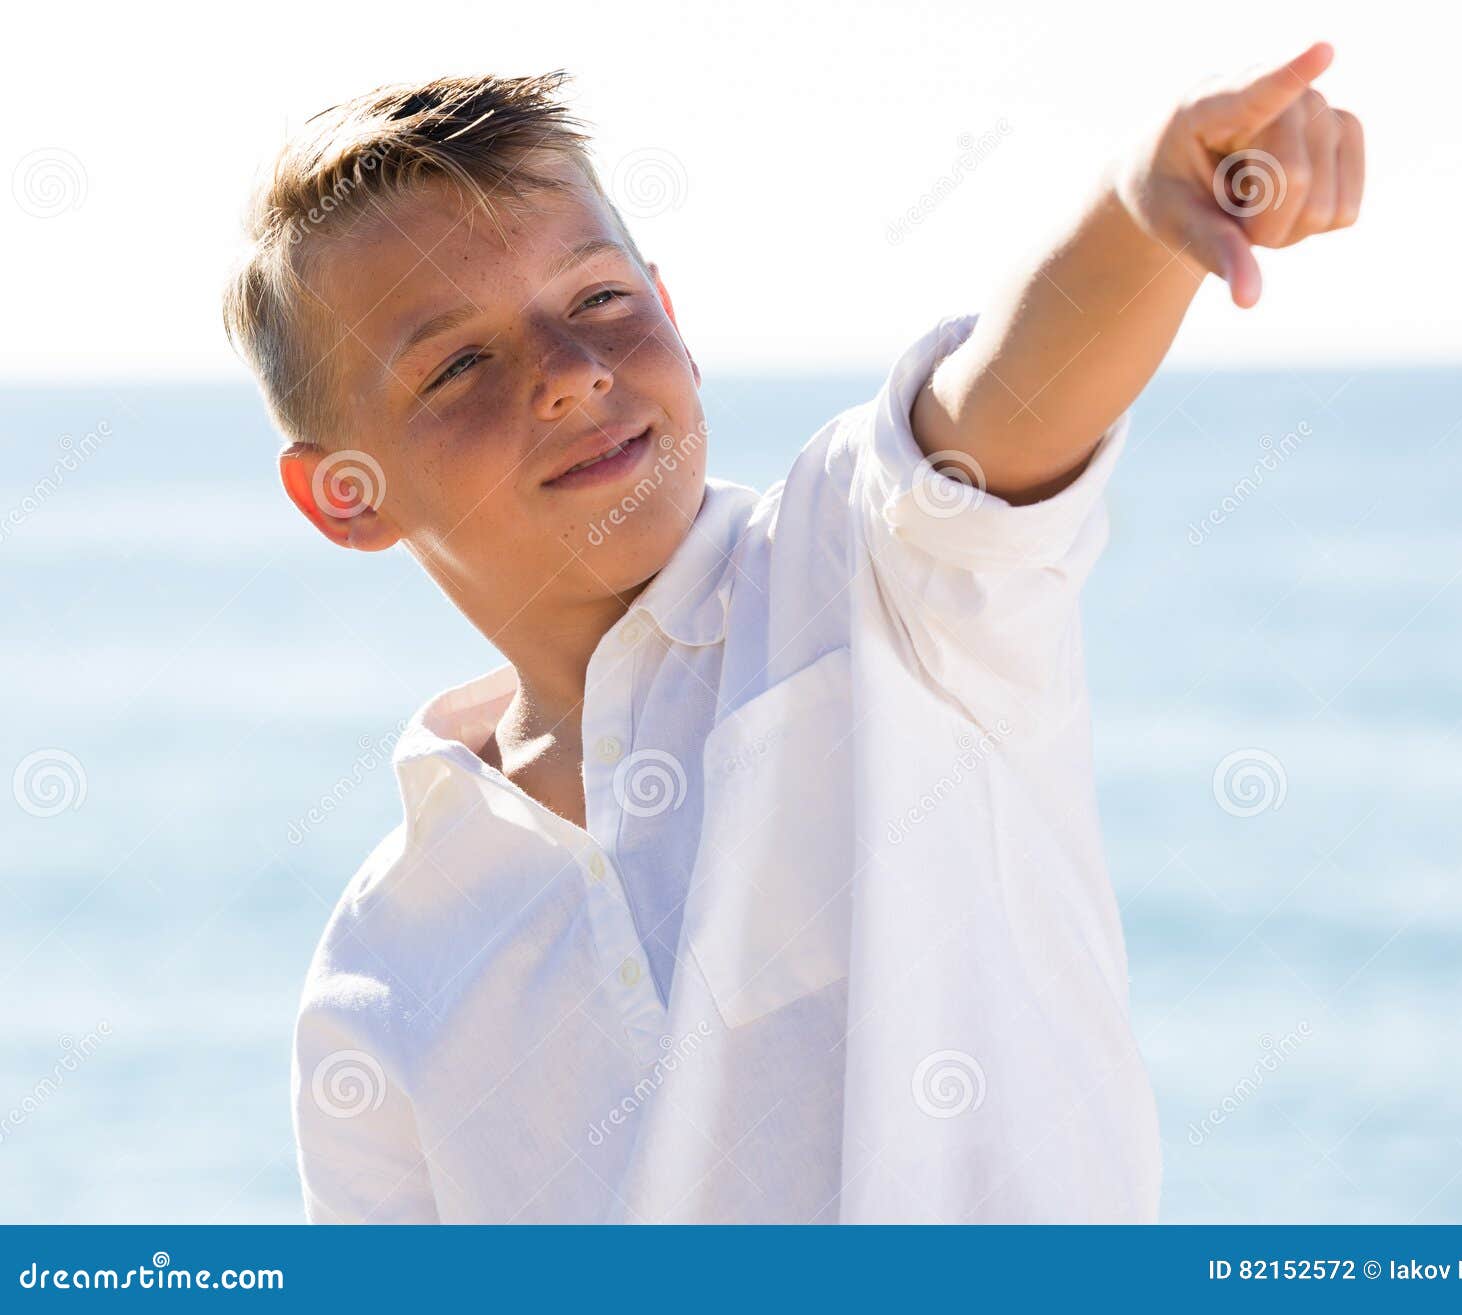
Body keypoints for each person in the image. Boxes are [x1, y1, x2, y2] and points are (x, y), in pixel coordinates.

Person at [222, 45, 1362, 1222]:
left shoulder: (865, 575)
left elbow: (1002, 408)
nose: (568, 374)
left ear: (671, 315)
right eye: (459, 363)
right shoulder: (381, 967)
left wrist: (1141, 216)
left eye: (600, 300)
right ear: (344, 494)